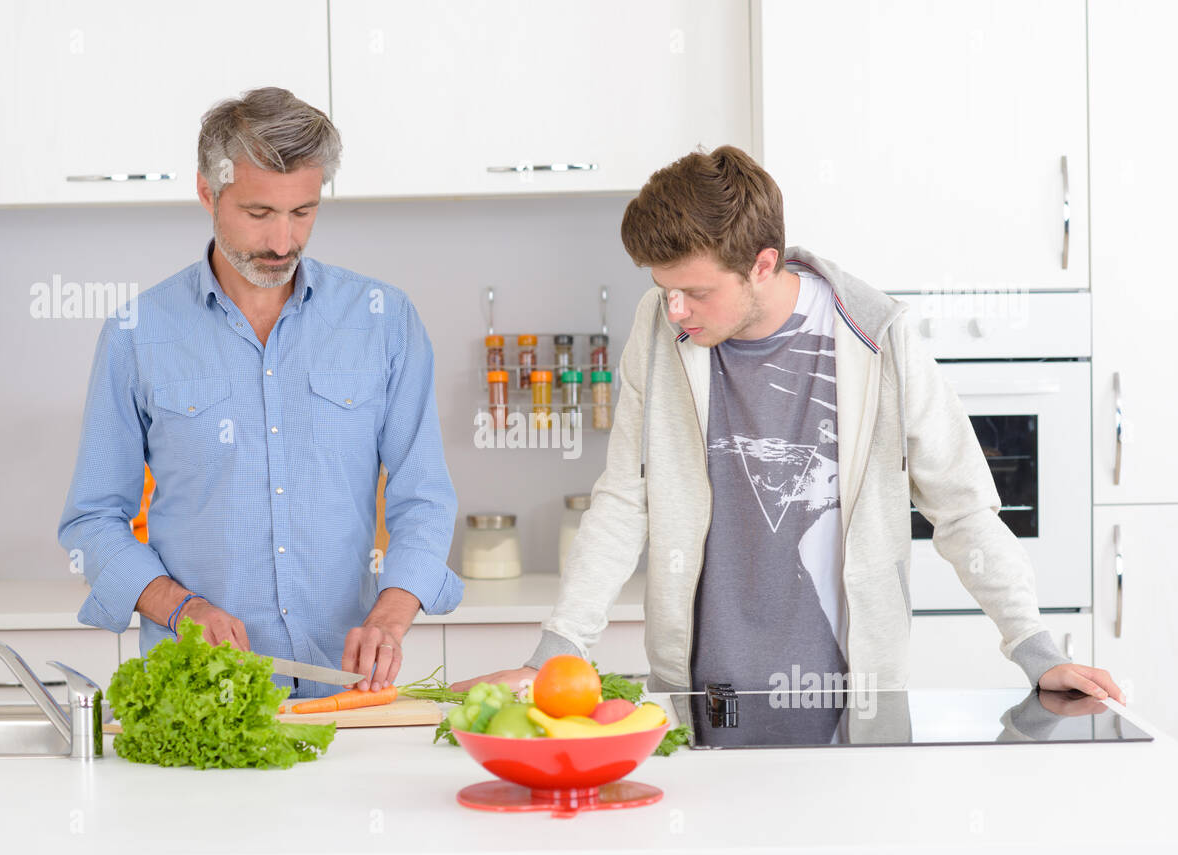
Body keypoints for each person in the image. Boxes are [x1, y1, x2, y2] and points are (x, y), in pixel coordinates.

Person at [454, 145, 1123, 704]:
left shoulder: (880, 337)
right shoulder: (656, 330)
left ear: (763, 263)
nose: (676, 308)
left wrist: (1034, 647)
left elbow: (964, 509)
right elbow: (626, 497)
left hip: (851, 704)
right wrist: (559, 647)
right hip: (698, 700)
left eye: (696, 290)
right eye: (665, 289)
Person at [59, 87, 462, 698]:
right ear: (207, 193)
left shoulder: (384, 320)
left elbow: (423, 499)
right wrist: (179, 608)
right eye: (258, 214)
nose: (282, 243)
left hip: (344, 694)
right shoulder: (137, 334)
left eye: (303, 212)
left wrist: (390, 614)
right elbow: (93, 519)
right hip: (196, 695)